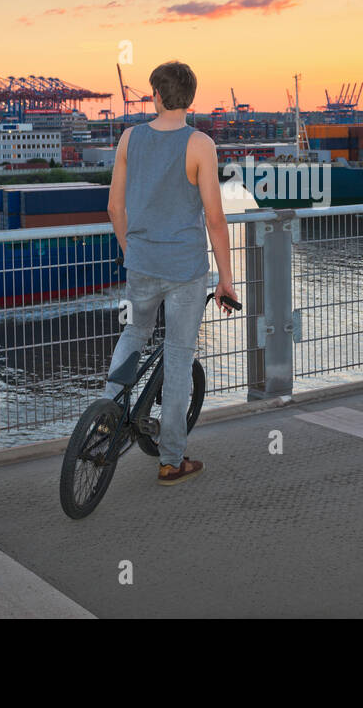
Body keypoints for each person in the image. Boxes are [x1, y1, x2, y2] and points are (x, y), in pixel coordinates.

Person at [104, 60, 238, 485]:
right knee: (179, 358)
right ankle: (171, 460)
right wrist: (226, 279)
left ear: (156, 96)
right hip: (185, 270)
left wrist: (133, 250)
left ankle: (108, 414)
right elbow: (215, 219)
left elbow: (114, 208)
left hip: (141, 265)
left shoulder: (130, 138)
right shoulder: (200, 145)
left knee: (133, 334)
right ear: (191, 98)